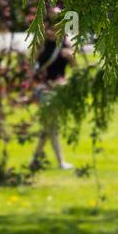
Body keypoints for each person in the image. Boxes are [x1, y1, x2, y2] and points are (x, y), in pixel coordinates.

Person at [29, 30, 74, 171]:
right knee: (52, 126)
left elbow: (75, 67)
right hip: (44, 89)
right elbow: (31, 66)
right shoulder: (42, 43)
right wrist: (38, 52)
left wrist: (71, 57)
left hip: (59, 90)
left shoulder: (66, 44)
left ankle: (35, 160)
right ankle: (60, 162)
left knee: (48, 127)